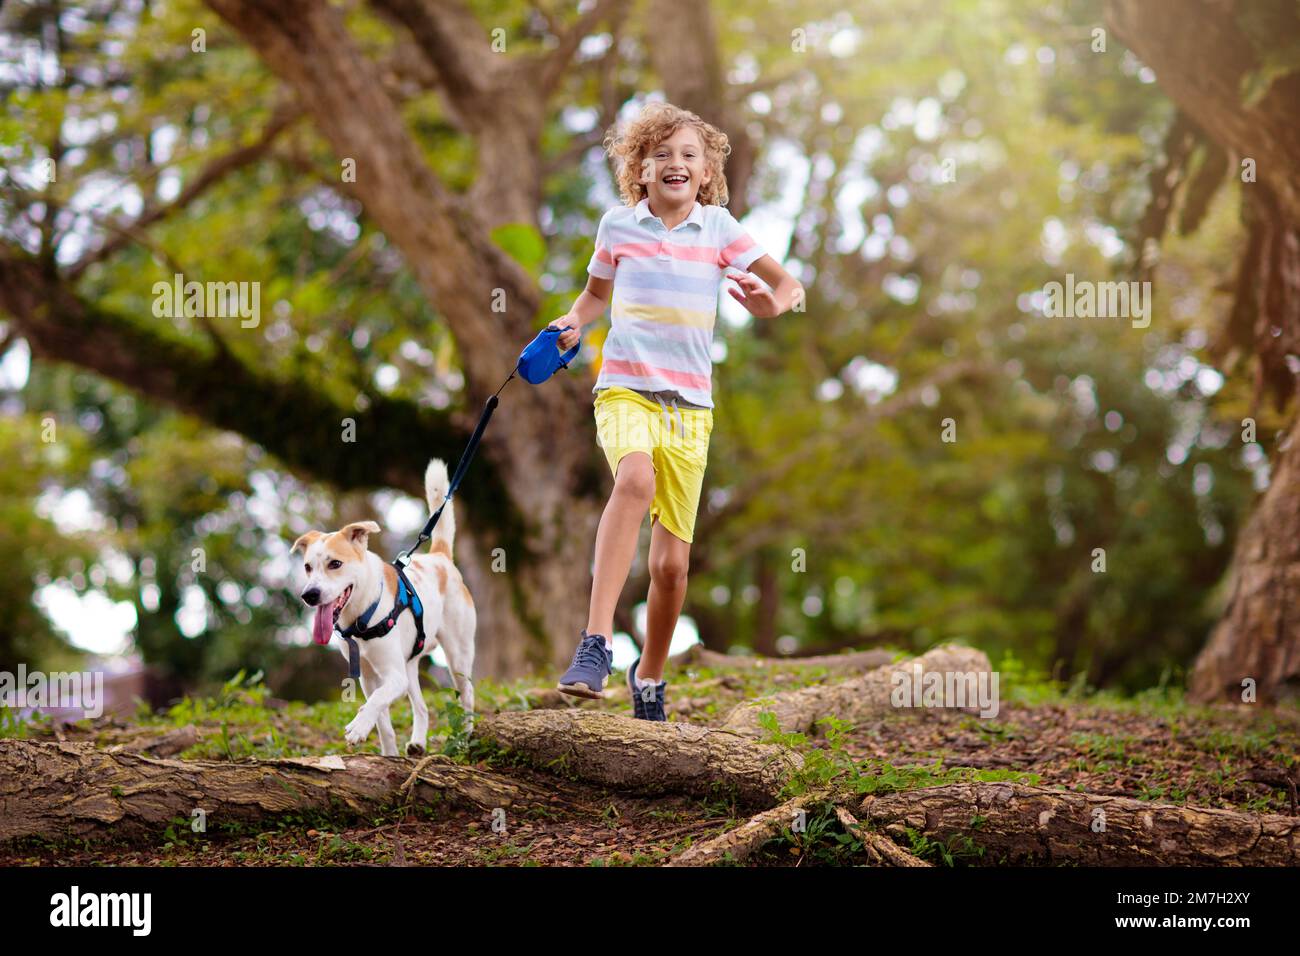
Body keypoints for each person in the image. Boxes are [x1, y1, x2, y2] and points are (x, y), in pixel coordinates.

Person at [552, 101, 803, 720]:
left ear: (707, 171)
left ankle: (651, 675)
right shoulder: (619, 227)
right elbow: (594, 297)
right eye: (661, 154)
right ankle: (596, 643)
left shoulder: (719, 229)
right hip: (626, 389)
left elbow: (790, 285)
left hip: (690, 407)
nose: (676, 163)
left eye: (689, 154)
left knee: (670, 568)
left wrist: (770, 305)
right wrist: (572, 322)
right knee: (633, 480)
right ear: (639, 170)